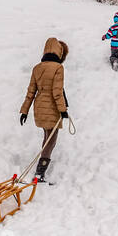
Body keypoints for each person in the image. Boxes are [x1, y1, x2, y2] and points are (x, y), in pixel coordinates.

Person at [19, 37, 70, 180]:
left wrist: (24, 111)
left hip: (39, 107)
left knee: (47, 137)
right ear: (58, 51)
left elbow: (31, 92)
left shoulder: (37, 68)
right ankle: (40, 173)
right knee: (51, 140)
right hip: (52, 108)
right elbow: (57, 91)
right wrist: (63, 110)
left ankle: (40, 169)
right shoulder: (58, 68)